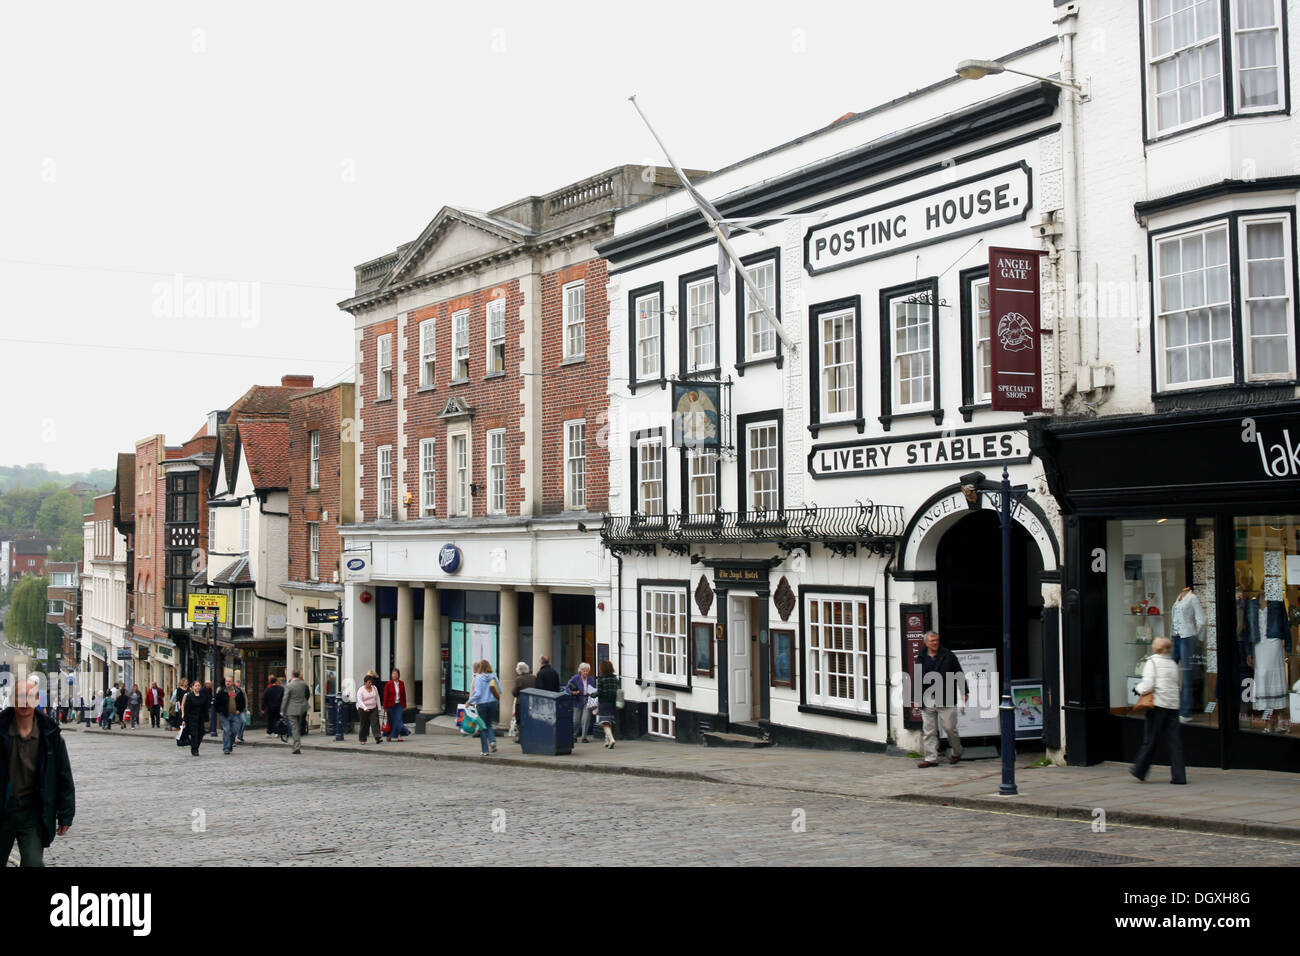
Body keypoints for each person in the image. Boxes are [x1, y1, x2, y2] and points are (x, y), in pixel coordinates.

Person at [0, 676, 75, 866]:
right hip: (3, 810)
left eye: (30, 696)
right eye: (20, 696)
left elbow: (63, 775)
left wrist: (66, 814)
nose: (25, 702)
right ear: (11, 700)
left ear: (38, 700)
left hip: (33, 811)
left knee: (33, 863)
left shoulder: (50, 735)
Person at [1130, 636, 1187, 785]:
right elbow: (1179, 685)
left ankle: (1139, 770)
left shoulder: (1152, 662)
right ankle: (1179, 776)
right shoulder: (1173, 664)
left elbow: (1148, 684)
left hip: (1158, 706)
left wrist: (1137, 689)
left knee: (1151, 740)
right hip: (1173, 706)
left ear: (1155, 648)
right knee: (1175, 743)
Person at [915, 630, 967, 768]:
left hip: (946, 696)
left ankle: (957, 751)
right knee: (929, 730)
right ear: (926, 643)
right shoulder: (920, 657)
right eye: (932, 641)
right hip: (928, 698)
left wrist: (964, 691)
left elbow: (959, 673)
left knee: (950, 728)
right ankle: (931, 758)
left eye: (937, 640)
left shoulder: (948, 655)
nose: (935, 643)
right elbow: (918, 678)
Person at [465, 660, 501, 756]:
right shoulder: (494, 676)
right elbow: (500, 690)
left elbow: (478, 693)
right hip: (493, 703)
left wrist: (469, 702)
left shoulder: (479, 678)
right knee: (489, 724)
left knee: (482, 727)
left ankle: (485, 750)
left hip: (482, 704)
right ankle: (492, 740)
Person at [592, 660, 620, 749]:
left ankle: (611, 740)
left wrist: (592, 695)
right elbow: (618, 690)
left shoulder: (601, 679)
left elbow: (599, 692)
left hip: (604, 703)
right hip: (613, 702)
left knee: (605, 723)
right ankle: (607, 741)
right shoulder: (615, 678)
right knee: (609, 721)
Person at [282, 670, 310, 754]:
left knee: (294, 728)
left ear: (293, 675)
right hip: (301, 708)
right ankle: (297, 744)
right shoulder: (303, 684)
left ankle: (297, 746)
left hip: (292, 709)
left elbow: (285, 698)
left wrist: (282, 710)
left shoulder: (289, 686)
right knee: (298, 726)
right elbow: (306, 695)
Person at [566, 663, 594, 743]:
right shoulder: (575, 678)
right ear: (580, 671)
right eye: (584, 671)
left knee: (585, 719)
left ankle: (584, 737)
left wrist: (591, 693)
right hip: (577, 700)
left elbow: (593, 690)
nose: (585, 672)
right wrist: (572, 693)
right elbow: (567, 687)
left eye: (587, 671)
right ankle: (574, 735)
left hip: (587, 700)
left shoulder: (591, 679)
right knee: (576, 720)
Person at [214, 680, 240, 755]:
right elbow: (216, 703)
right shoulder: (222, 691)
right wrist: (220, 711)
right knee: (227, 730)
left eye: (229, 681)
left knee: (234, 730)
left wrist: (239, 709)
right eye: (226, 681)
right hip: (225, 714)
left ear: (232, 682)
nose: (228, 683)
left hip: (235, 714)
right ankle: (226, 747)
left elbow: (242, 701)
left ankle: (230, 744)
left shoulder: (237, 691)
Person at [182, 679, 207, 756]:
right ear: (192, 687)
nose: (197, 687)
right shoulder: (190, 697)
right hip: (192, 718)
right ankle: (194, 750)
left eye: (199, 686)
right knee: (194, 734)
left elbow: (205, 707)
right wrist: (184, 720)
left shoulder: (203, 696)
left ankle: (196, 746)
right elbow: (187, 709)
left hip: (200, 718)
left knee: (201, 733)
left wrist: (206, 718)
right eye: (196, 686)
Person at [511, 662, 535, 741]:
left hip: (520, 703)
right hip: (532, 702)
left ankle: (521, 737)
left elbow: (515, 693)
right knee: (530, 720)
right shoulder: (534, 678)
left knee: (520, 720)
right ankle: (531, 736)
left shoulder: (519, 679)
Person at [356, 674, 383, 744]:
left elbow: (377, 698)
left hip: (373, 708)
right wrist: (365, 708)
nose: (370, 684)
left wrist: (379, 707)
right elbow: (359, 700)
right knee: (364, 724)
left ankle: (377, 737)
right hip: (363, 709)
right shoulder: (361, 690)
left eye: (371, 682)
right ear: (365, 682)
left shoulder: (374, 688)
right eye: (369, 682)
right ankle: (362, 739)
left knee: (375, 722)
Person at [382, 668, 407, 743]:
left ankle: (399, 735)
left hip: (399, 704)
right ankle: (389, 735)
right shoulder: (388, 684)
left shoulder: (402, 683)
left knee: (399, 720)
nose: (394, 675)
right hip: (391, 705)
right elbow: (385, 695)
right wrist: (385, 706)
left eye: (395, 674)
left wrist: (405, 705)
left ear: (398, 675)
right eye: (393, 674)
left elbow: (404, 695)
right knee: (391, 721)